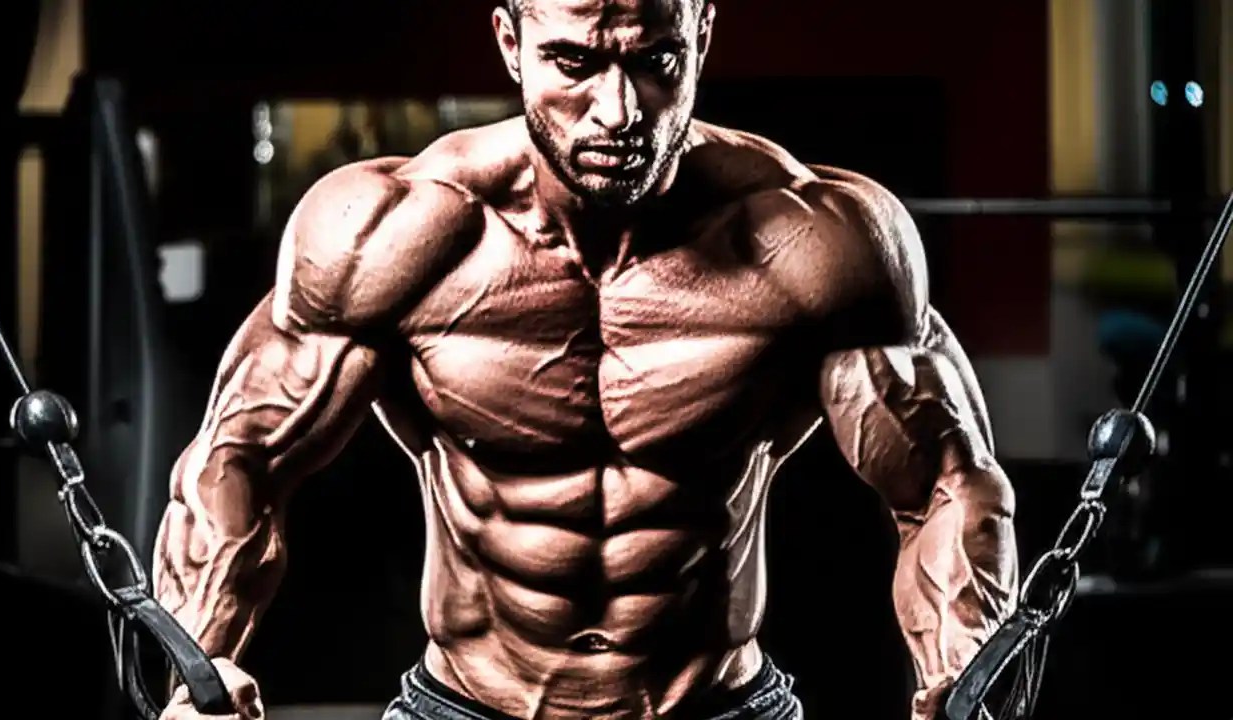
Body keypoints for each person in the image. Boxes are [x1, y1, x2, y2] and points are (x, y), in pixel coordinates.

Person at [154, 1, 1019, 718]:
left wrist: (964, 670)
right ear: (510, 43)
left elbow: (946, 483)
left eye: (655, 61)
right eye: (573, 62)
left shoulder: (817, 243)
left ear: (702, 33)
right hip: (469, 704)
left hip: (717, 703)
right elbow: (238, 460)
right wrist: (199, 672)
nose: (619, 111)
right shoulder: (388, 234)